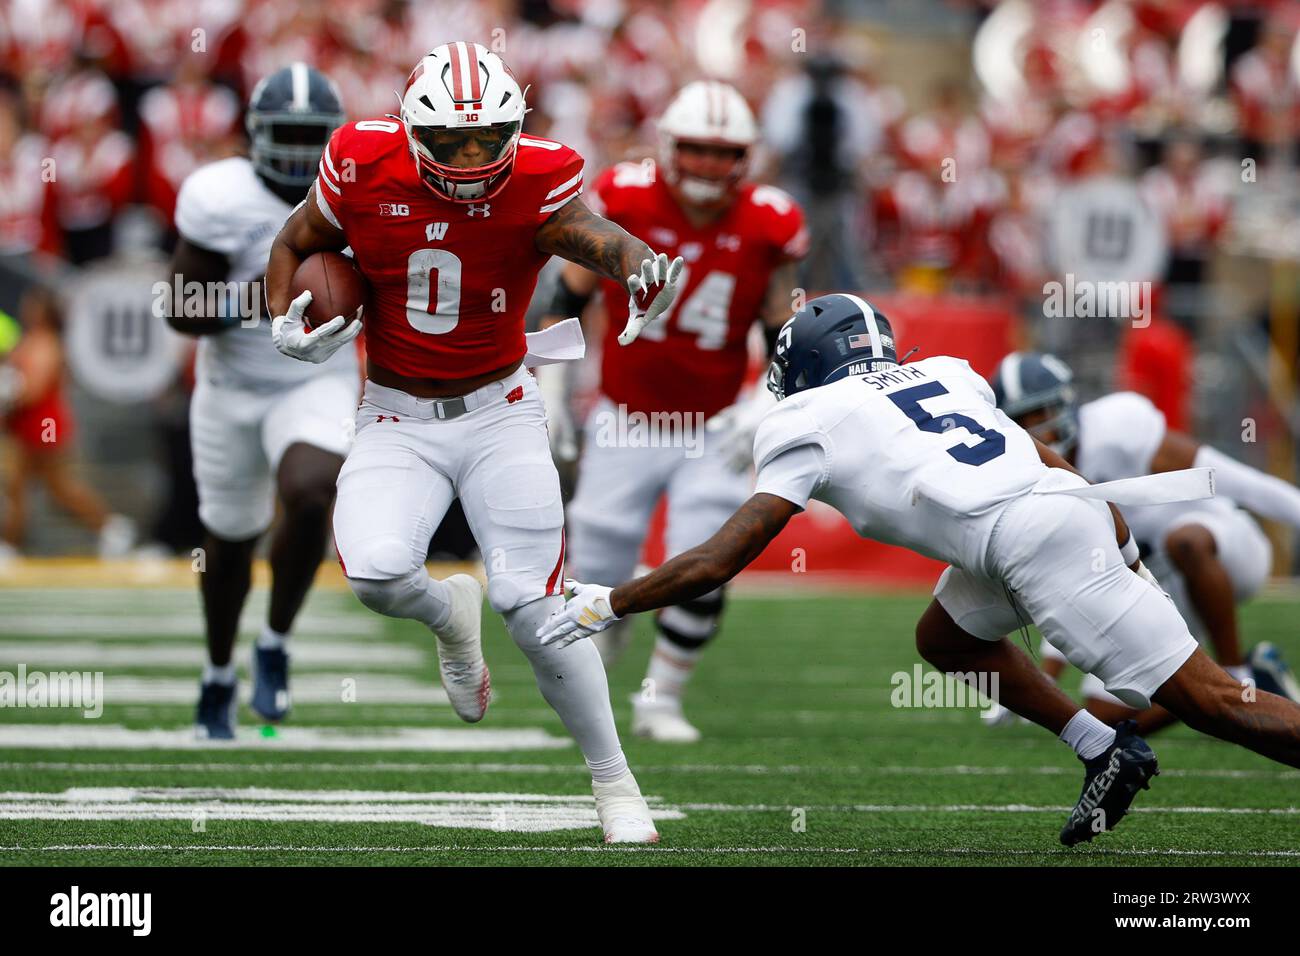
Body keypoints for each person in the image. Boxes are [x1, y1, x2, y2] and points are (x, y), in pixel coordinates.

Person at [539, 293, 1300, 846]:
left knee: (1216, 703)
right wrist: (1123, 541)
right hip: (1042, 517)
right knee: (947, 639)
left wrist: (610, 602)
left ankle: (1128, 738)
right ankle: (1104, 747)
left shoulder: (805, 417)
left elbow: (721, 556)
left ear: (807, 364)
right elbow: (1047, 457)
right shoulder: (945, 373)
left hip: (1033, 538)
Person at [264, 42, 684, 844]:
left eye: (488, 139)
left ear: (514, 130)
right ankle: (450, 617)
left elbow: (594, 234)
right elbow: (292, 243)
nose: (469, 157)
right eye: (451, 142)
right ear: (410, 130)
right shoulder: (359, 159)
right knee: (380, 575)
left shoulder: (538, 172)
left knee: (534, 607)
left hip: (502, 409)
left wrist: (639, 267)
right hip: (394, 413)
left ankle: (615, 784)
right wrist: (284, 322)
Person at [538, 80, 807, 742]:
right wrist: (549, 393)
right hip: (626, 415)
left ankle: (661, 699)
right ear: (669, 147)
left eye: (724, 153)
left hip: (714, 425)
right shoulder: (624, 195)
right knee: (592, 558)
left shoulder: (769, 221)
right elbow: (565, 294)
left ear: (744, 157)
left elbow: (784, 329)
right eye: (697, 150)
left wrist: (763, 403)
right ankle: (596, 689)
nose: (710, 166)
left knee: (705, 558)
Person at [166, 64, 355, 740]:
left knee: (310, 490)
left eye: (315, 135)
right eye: (291, 134)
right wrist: (270, 295)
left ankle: (275, 641)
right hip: (232, 386)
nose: (304, 150)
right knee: (229, 537)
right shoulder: (221, 195)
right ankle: (219, 673)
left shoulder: (359, 191)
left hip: (314, 379)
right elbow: (179, 307)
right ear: (256, 135)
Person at [986, 351, 1300, 733]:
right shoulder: (1040, 481)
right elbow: (1077, 583)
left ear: (1064, 404)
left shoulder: (1116, 432)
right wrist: (1046, 679)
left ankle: (1238, 675)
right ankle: (1249, 684)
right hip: (1163, 584)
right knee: (1108, 718)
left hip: (1227, 546)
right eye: (1020, 421)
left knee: (1184, 540)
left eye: (1038, 414)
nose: (1034, 429)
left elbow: (1236, 480)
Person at [0, 287, 134, 561]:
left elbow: (33, 389)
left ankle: (111, 527)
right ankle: (10, 545)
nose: (27, 310)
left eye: (33, 305)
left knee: (53, 485)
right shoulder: (30, 341)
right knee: (27, 486)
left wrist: (9, 391)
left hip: (44, 424)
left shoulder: (47, 343)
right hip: (27, 424)